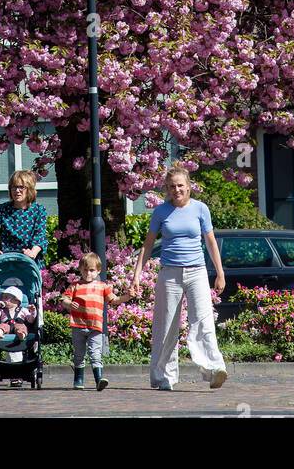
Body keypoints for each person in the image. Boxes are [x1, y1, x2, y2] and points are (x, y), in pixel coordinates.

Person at [131, 165, 228, 391]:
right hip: (170, 273)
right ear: (167, 188)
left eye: (181, 185)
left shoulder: (201, 209)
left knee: (203, 320)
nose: (177, 190)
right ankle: (164, 376)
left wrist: (220, 273)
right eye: (172, 186)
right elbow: (147, 246)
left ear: (189, 186)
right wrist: (137, 274)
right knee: (166, 325)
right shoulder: (161, 212)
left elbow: (211, 242)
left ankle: (214, 369)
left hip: (197, 271)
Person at [60, 252, 119, 392]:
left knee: (95, 353)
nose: (88, 273)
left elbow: (114, 300)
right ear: (80, 269)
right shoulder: (75, 286)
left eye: (92, 270)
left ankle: (99, 380)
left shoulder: (103, 286)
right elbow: (64, 300)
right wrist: (69, 303)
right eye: (85, 270)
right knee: (79, 354)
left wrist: (127, 296)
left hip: (95, 326)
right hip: (78, 325)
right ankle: (78, 380)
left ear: (98, 271)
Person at [0, 170, 48, 267]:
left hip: (30, 263)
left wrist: (33, 252)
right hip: (6, 263)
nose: (17, 191)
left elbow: (40, 236)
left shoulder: (39, 210)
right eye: (14, 187)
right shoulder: (2, 209)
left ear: (30, 189)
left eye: (21, 187)